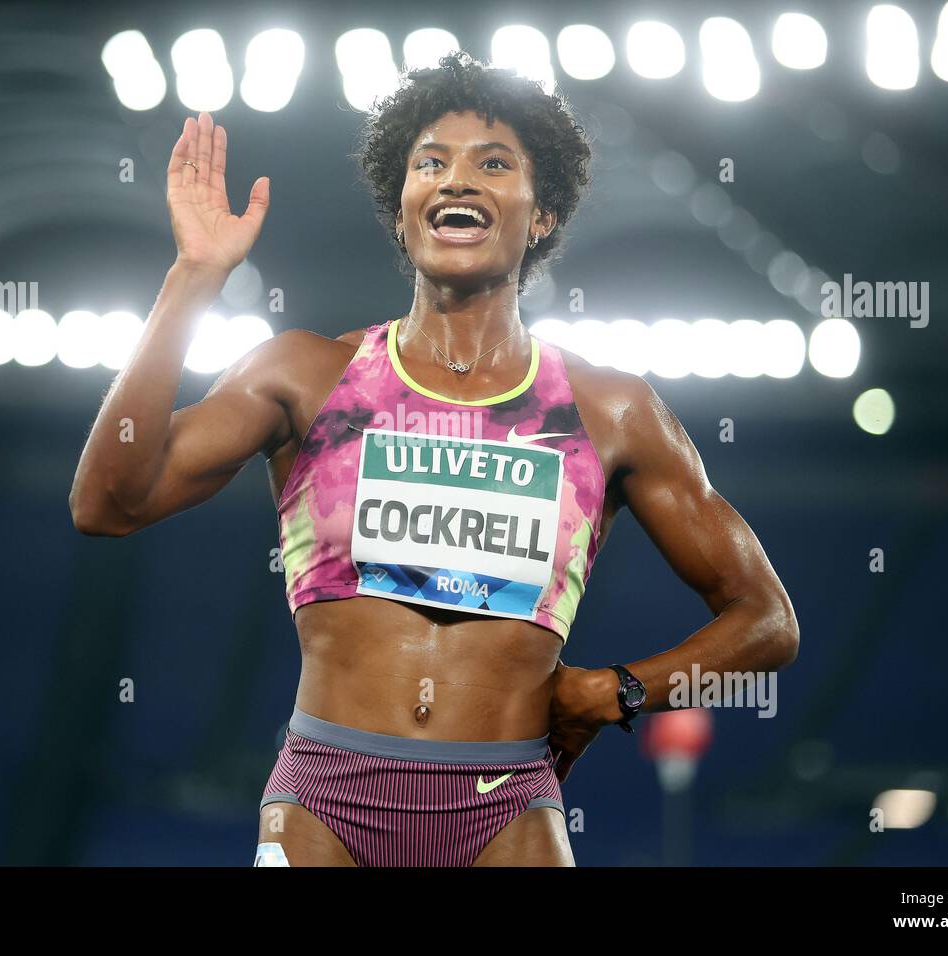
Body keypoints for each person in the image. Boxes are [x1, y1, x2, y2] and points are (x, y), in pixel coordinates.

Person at [69, 52, 798, 866]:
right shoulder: (305, 375)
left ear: (543, 213)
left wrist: (615, 691)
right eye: (431, 163)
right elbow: (107, 503)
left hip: (508, 805)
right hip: (324, 800)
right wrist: (192, 277)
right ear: (403, 208)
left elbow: (768, 624)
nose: (456, 179)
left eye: (494, 164)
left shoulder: (612, 410)